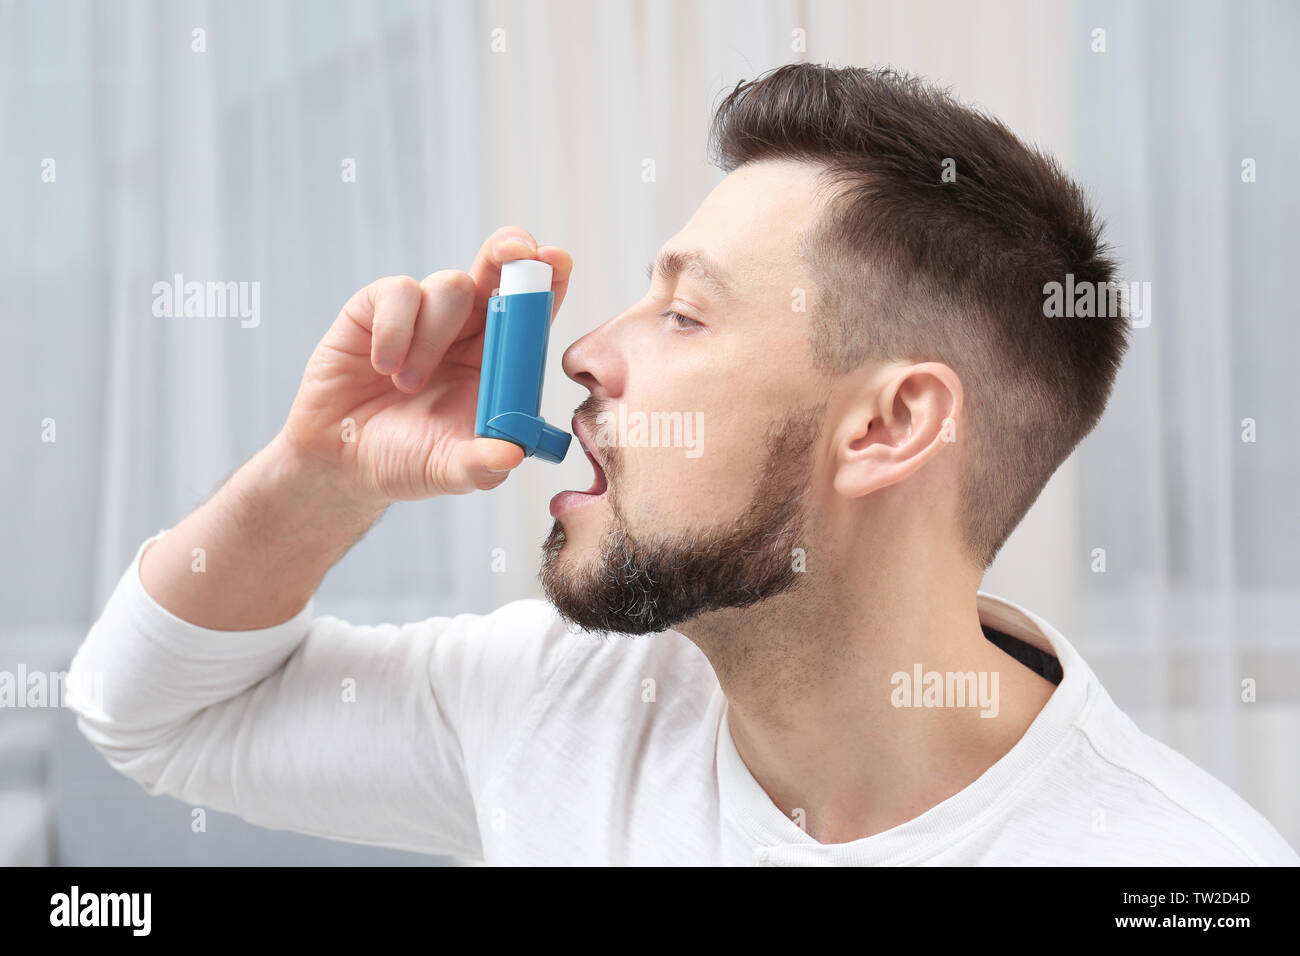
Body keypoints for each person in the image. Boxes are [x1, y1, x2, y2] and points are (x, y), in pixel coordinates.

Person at [67, 64, 1298, 865]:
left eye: (684, 315)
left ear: (886, 426)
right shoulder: (563, 701)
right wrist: (324, 469)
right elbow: (151, 711)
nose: (590, 350)